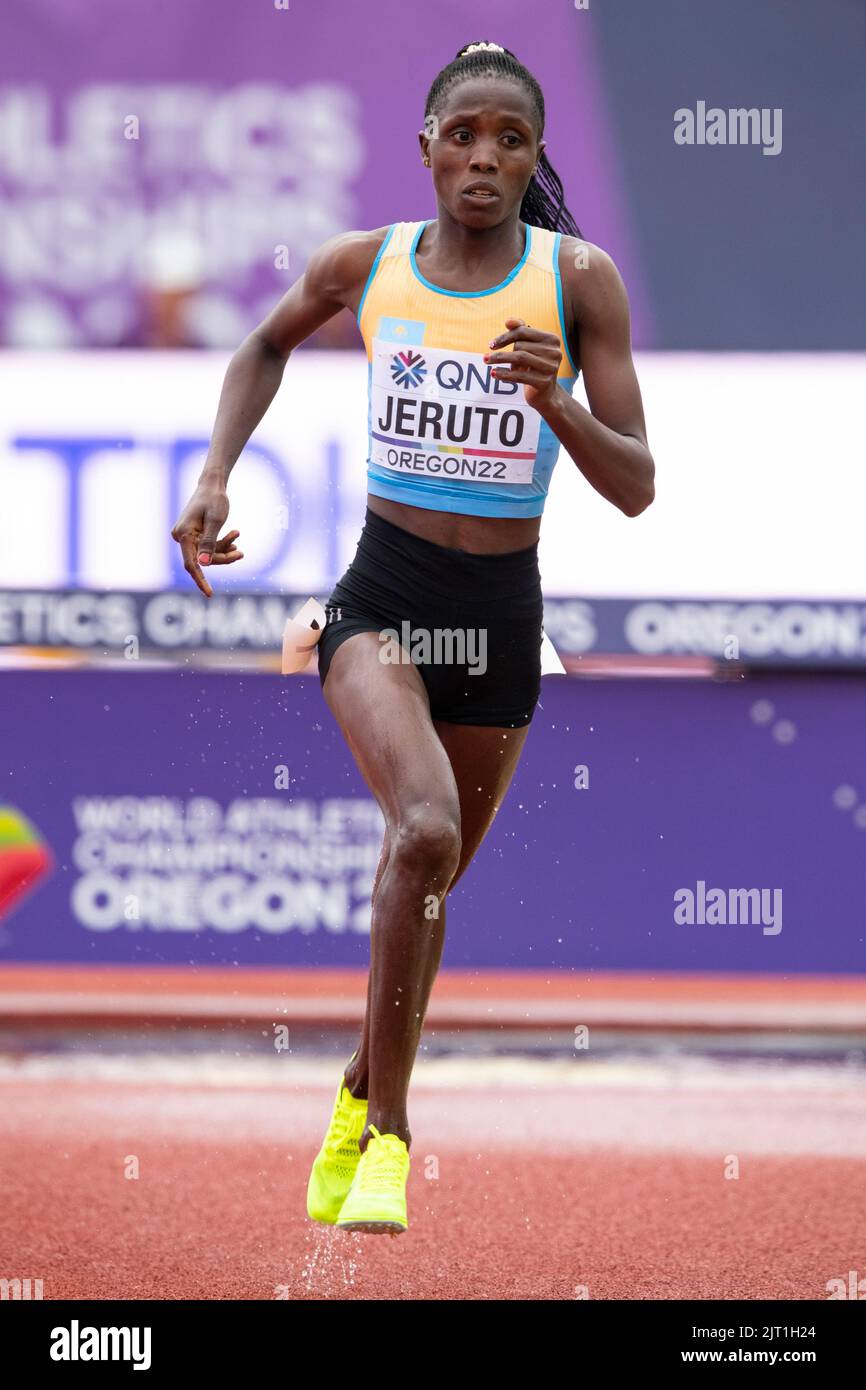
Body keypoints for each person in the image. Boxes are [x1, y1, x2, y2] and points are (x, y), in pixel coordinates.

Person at [171, 39, 655, 1236]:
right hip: (377, 605)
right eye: (462, 134)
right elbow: (262, 344)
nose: (483, 158)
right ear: (426, 146)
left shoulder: (577, 280)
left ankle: (350, 1092)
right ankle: (389, 1137)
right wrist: (214, 476)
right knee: (425, 826)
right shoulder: (367, 264)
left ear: (535, 155)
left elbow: (638, 484)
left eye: (510, 139)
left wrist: (555, 405)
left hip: (499, 624)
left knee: (426, 881)